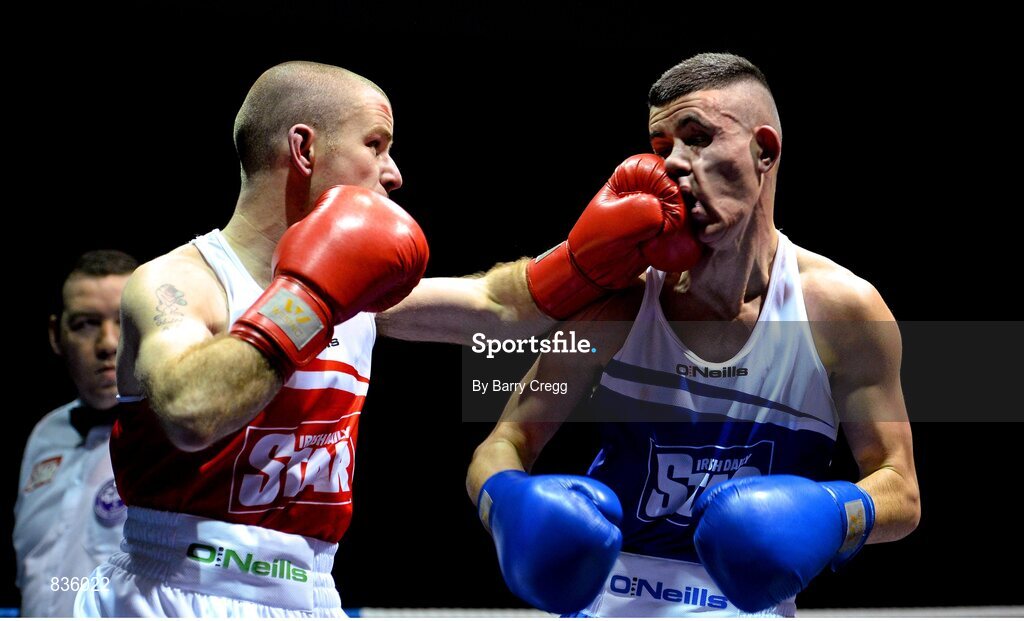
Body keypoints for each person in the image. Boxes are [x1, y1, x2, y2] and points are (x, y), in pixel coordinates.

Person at [73, 61, 695, 618]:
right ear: (303, 148)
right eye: (375, 145)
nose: (394, 174)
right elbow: (190, 411)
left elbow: (500, 308)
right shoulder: (176, 283)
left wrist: (583, 262)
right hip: (168, 589)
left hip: (310, 592)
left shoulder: (362, 296)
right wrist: (312, 298)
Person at [467, 52, 921, 617]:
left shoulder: (842, 312)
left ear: (764, 151)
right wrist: (508, 503)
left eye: (698, 137)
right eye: (662, 147)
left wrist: (832, 512)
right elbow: (506, 442)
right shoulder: (621, 302)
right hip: (605, 605)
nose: (675, 164)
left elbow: (900, 487)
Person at [14, 250, 138, 617]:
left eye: (124, 321)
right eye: (86, 324)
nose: (108, 343)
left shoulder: (177, 437)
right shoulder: (45, 434)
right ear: (56, 335)